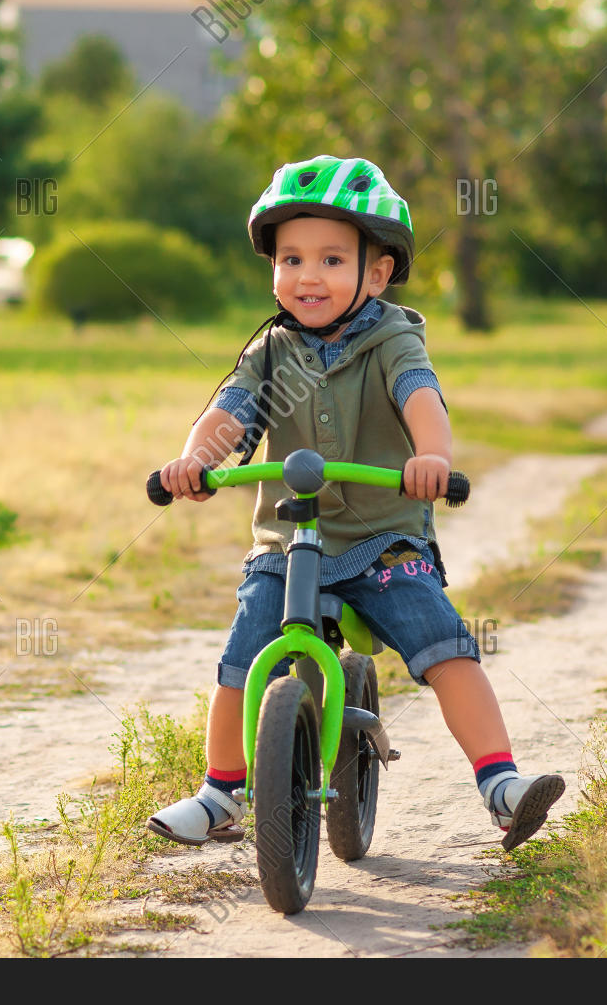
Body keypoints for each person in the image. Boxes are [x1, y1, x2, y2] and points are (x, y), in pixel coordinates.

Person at [146, 155, 564, 852]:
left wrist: (432, 458)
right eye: (291, 258)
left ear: (376, 272)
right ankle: (220, 792)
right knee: (243, 657)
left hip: (382, 538)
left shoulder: (390, 337)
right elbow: (232, 411)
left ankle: (501, 784)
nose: (307, 277)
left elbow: (419, 395)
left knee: (444, 645)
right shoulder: (272, 349)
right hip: (288, 542)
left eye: (332, 259)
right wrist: (196, 462)